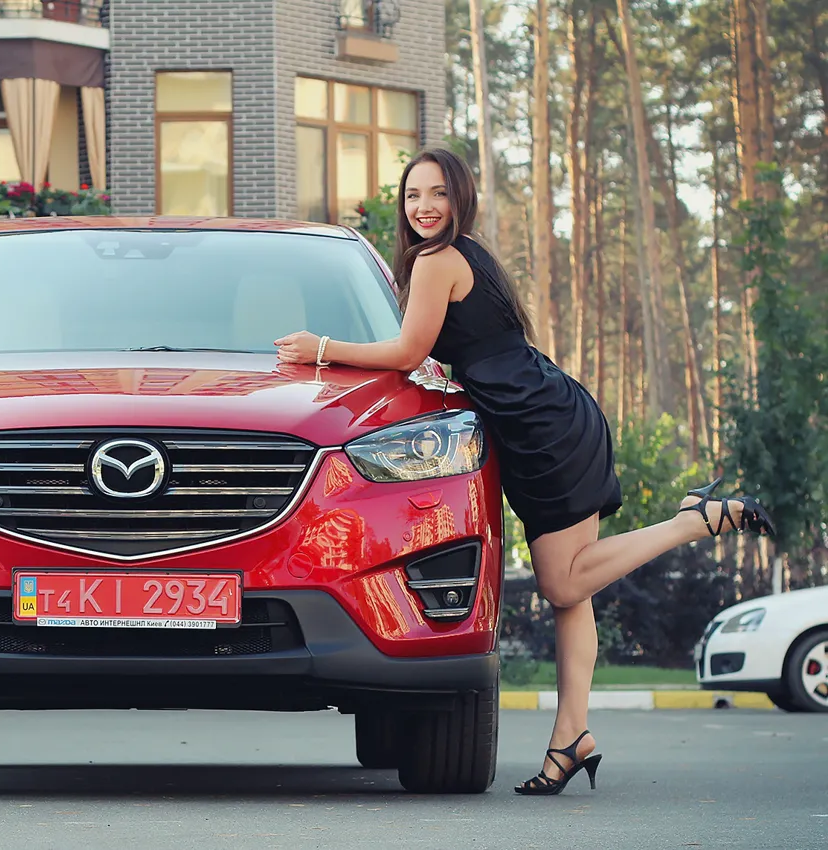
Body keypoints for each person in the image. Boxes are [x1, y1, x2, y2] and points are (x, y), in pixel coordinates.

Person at [273, 147, 774, 796]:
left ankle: (691, 520)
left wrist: (321, 349)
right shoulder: (468, 254)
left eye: (438, 194)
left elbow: (406, 351)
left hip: (544, 427)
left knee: (563, 584)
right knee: (576, 595)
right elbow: (450, 355)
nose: (424, 207)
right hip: (549, 414)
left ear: (461, 199)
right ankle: (571, 737)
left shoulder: (437, 258)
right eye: (413, 196)